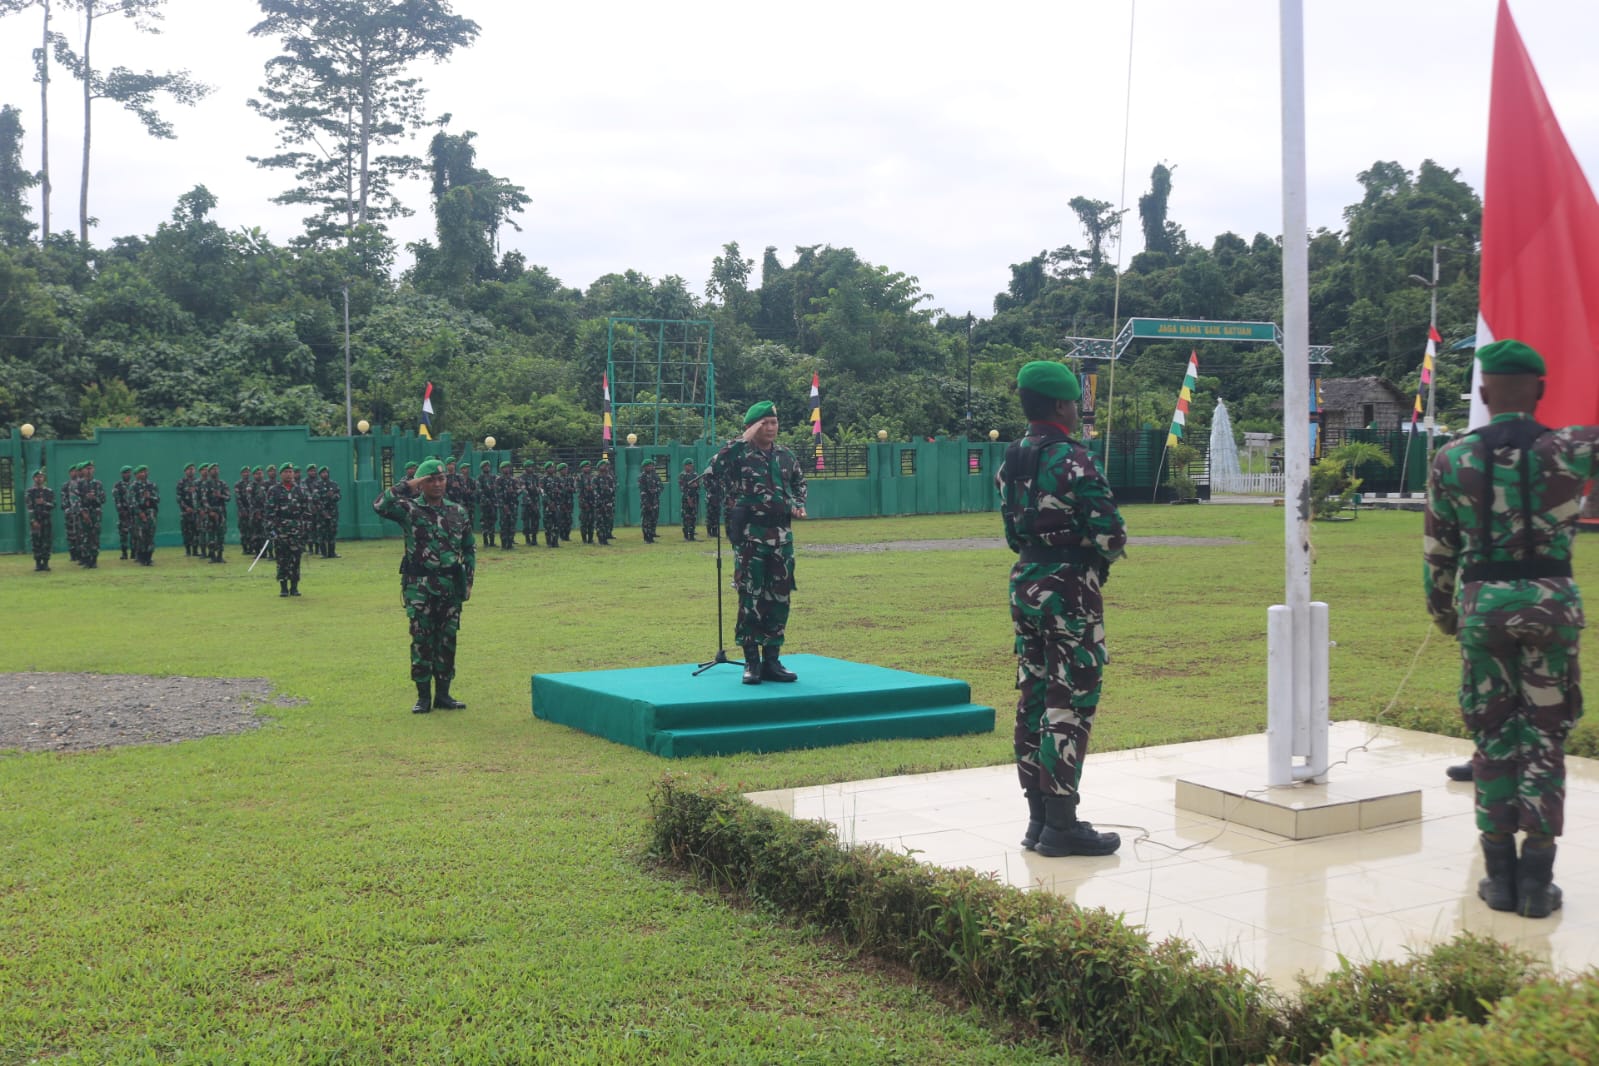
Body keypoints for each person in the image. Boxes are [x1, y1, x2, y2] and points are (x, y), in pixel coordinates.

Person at [1423, 338, 1594, 919]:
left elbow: (1439, 553)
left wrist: (1445, 613)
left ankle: (1498, 879)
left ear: (1483, 392)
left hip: (1485, 610)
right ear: (1541, 390)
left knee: (1494, 738)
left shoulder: (1452, 458)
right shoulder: (1576, 448)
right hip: (1552, 608)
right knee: (1545, 737)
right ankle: (1536, 882)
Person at [997, 361, 1126, 858]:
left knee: (1033, 696)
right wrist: (1095, 554)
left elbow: (1013, 534)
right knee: (1069, 698)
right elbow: (1111, 535)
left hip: (1026, 584)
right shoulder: (1074, 461)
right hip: (1070, 590)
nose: (1077, 409)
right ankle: (1062, 824)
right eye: (1074, 402)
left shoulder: (1012, 460)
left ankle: (1037, 819)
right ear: (1059, 406)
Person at [705, 402, 808, 684]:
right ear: (752, 427)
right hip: (750, 536)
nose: (772, 428)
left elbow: (799, 483)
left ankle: (772, 660)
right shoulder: (739, 455)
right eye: (765, 423)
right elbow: (714, 469)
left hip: (781, 537)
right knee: (750, 596)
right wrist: (742, 439)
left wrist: (798, 504)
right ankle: (751, 661)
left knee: (779, 597)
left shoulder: (786, 456)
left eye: (774, 422)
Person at [373, 457, 476, 714]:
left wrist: (469, 582)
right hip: (419, 587)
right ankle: (423, 697)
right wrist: (408, 485)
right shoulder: (408, 509)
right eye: (431, 480)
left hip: (450, 586)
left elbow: (469, 548)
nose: (438, 484)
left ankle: (443, 694)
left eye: (441, 479)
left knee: (447, 640)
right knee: (421, 640)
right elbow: (379, 505)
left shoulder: (457, 511)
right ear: (422, 483)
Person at [264, 462, 306, 597]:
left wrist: (305, 528)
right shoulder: (274, 490)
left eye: (290, 471)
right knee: (282, 559)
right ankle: (283, 587)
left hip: (296, 529)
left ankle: (294, 587)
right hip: (281, 529)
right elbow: (269, 512)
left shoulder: (299, 490)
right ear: (281, 474)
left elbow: (306, 511)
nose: (289, 474)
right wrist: (271, 529)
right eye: (286, 472)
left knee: (296, 559)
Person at [77, 460, 106, 568]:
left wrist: (95, 498)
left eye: (91, 468)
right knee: (85, 536)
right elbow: (76, 500)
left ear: (93, 470)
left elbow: (103, 499)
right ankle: (86, 559)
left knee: (95, 536)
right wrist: (83, 512)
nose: (89, 471)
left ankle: (94, 559)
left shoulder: (98, 484)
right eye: (86, 468)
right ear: (83, 470)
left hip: (96, 513)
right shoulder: (79, 484)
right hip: (84, 513)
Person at [130, 465, 159, 565]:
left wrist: (149, 497)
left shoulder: (152, 485)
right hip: (139, 513)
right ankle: (142, 558)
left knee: (150, 535)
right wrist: (140, 513)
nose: (144, 474)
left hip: (151, 512)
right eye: (141, 472)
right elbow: (132, 502)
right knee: (141, 536)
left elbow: (158, 499)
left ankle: (149, 558)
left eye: (145, 472)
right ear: (137, 474)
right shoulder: (134, 486)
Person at [27, 468, 53, 571]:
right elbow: (29, 507)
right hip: (35, 520)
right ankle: (38, 563)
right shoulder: (30, 492)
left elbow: (53, 505)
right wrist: (33, 520)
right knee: (36, 541)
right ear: (34, 479)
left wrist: (44, 503)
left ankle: (46, 563)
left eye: (41, 477)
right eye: (37, 477)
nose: (39, 479)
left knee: (46, 541)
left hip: (46, 520)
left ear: (44, 478)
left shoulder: (49, 491)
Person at [318, 465, 342, 557]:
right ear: (320, 474)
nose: (325, 474)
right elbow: (315, 499)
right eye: (323, 473)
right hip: (322, 513)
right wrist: (323, 512)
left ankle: (332, 553)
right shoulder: (317, 485)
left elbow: (339, 496)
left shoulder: (334, 484)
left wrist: (333, 496)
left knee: (332, 532)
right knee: (322, 533)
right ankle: (323, 553)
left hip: (333, 512)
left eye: (326, 472)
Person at [177, 462, 199, 556]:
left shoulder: (198, 482)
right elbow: (179, 498)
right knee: (186, 531)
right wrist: (186, 508)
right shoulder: (181, 483)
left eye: (192, 469)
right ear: (185, 471)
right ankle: (188, 550)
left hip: (196, 512)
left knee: (196, 531)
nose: (191, 471)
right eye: (189, 469)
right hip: (185, 512)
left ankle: (195, 550)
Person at [638, 458, 662, 543]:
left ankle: (651, 537)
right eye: (648, 466)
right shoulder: (642, 477)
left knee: (653, 519)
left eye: (651, 465)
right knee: (646, 520)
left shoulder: (655, 476)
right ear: (644, 467)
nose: (650, 467)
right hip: (646, 501)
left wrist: (655, 490)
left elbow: (661, 487)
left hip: (655, 500)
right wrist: (646, 503)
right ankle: (646, 538)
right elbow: (643, 491)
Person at [113, 465, 134, 560]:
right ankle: (124, 553)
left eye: (129, 472)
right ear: (122, 474)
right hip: (123, 513)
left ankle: (134, 552)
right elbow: (117, 500)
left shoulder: (134, 484)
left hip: (134, 513)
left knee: (135, 533)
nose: (127, 474)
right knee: (123, 534)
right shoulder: (118, 485)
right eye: (125, 472)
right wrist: (121, 511)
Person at [679, 459, 701, 541]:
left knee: (693, 517)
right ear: (685, 466)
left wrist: (695, 485)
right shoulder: (682, 475)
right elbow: (683, 488)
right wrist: (688, 499)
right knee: (686, 517)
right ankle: (686, 536)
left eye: (691, 465)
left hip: (694, 498)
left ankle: (692, 535)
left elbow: (699, 486)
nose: (690, 467)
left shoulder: (695, 475)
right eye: (688, 465)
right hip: (686, 500)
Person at [520, 459, 541, 545]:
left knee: (535, 521)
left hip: (535, 501)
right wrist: (530, 502)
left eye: (532, 466)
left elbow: (539, 488)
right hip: (526, 503)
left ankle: (534, 538)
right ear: (525, 468)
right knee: (526, 521)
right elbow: (524, 490)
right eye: (529, 466)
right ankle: (527, 539)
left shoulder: (536, 477)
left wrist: (537, 489)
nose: (531, 468)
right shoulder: (522, 477)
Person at [477, 460, 497, 547]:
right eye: (485, 466)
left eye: (488, 466)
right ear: (482, 468)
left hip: (493, 503)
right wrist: (486, 500)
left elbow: (496, 488)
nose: (487, 467)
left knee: (492, 521)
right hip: (484, 503)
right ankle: (485, 542)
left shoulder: (493, 477)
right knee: (484, 522)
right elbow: (479, 490)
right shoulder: (480, 478)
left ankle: (492, 542)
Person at [577, 460, 597, 544]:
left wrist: (593, 489)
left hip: (592, 501)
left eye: (588, 467)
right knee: (584, 521)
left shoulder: (592, 477)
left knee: (592, 521)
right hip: (584, 502)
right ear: (582, 468)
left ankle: (591, 539)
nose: (587, 468)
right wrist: (583, 502)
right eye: (585, 467)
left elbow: (595, 488)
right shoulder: (580, 477)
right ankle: (584, 539)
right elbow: (579, 491)